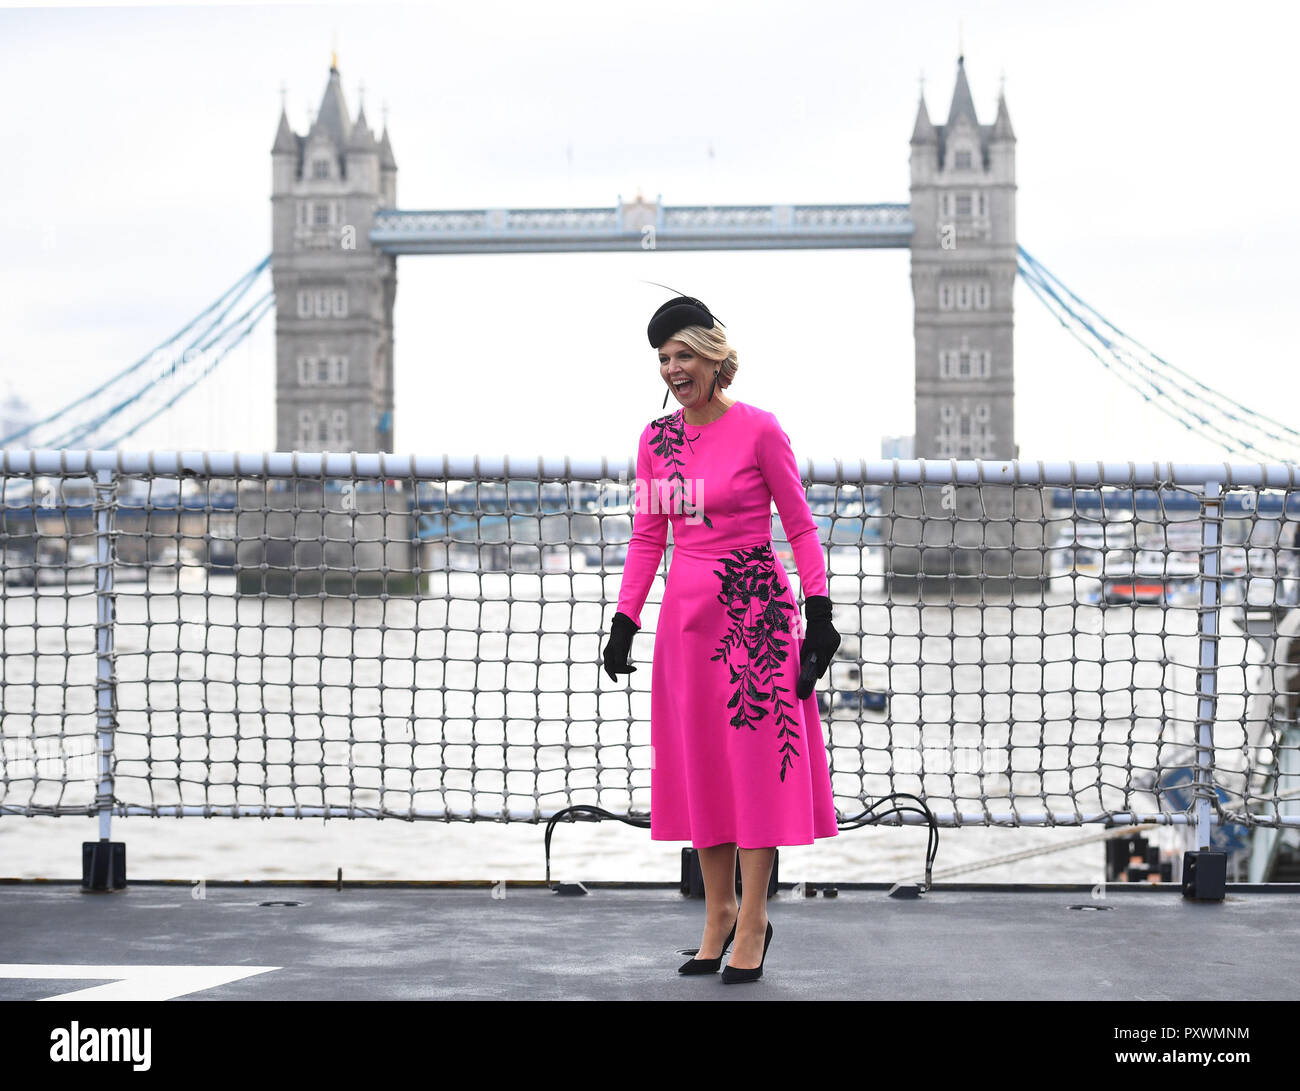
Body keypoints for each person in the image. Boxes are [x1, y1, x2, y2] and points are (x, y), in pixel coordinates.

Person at [601, 295, 841, 984]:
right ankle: (717, 912)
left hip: (756, 621)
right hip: (685, 622)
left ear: (712, 356)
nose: (673, 369)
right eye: (664, 359)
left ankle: (756, 918)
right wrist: (626, 619)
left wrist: (818, 613)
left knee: (757, 769)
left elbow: (799, 527)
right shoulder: (656, 441)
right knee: (702, 766)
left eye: (683, 355)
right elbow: (649, 537)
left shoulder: (761, 430)